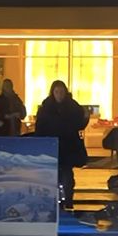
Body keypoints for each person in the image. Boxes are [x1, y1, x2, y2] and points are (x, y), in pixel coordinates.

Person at [35, 80, 90, 211]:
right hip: (52, 145)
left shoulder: (72, 107)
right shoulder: (46, 107)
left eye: (61, 92)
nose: (59, 95)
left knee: (67, 175)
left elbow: (79, 123)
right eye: (57, 92)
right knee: (54, 176)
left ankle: (68, 200)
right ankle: (55, 201)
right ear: (52, 93)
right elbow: (40, 127)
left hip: (68, 146)